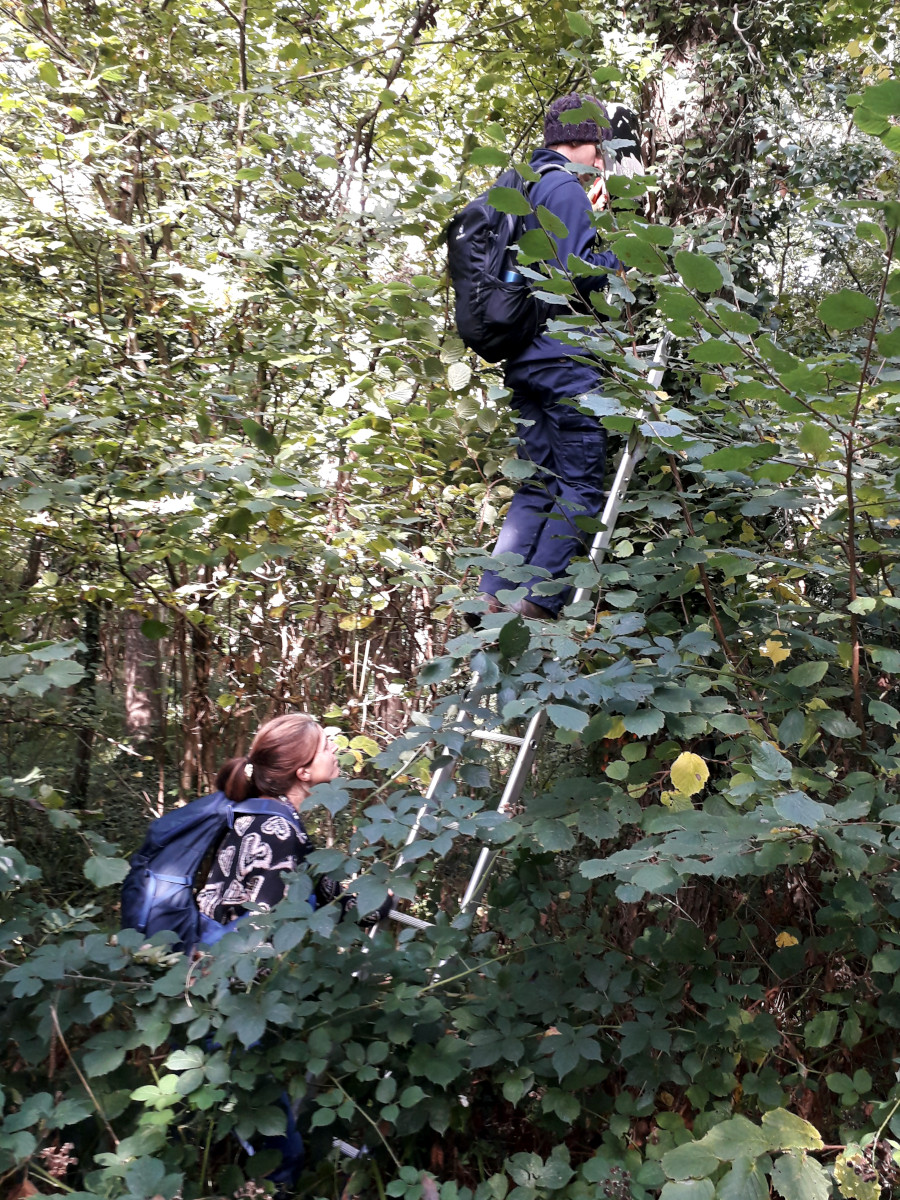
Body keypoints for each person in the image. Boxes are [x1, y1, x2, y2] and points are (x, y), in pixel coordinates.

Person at [474, 92, 623, 623]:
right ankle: (538, 601)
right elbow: (576, 272)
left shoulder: (515, 185)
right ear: (587, 142)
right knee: (580, 481)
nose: (602, 162)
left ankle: (491, 591)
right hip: (564, 356)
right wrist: (620, 255)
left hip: (523, 356)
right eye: (600, 149)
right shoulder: (563, 186)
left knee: (538, 479)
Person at [197, 713, 388, 928]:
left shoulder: (257, 814)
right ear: (304, 772)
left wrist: (381, 898)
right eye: (325, 747)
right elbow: (265, 931)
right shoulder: (279, 833)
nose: (334, 748)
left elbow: (334, 900)